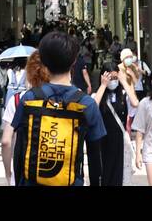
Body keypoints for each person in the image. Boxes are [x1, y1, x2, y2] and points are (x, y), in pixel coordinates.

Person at [10, 31, 106, 187]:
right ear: (74, 60)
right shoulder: (87, 104)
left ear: (44, 61)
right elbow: (96, 157)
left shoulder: (29, 98)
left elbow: (19, 150)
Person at [1, 51, 48, 184]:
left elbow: (6, 141)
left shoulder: (17, 100)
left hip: (25, 169)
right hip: (56, 169)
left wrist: (8, 172)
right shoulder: (65, 98)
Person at [92, 66, 136, 186]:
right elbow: (93, 107)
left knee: (119, 172)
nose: (113, 81)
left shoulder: (123, 94)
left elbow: (135, 103)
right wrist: (103, 85)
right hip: (102, 138)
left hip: (119, 139)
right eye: (110, 77)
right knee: (105, 171)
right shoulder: (98, 94)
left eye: (115, 77)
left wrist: (123, 81)